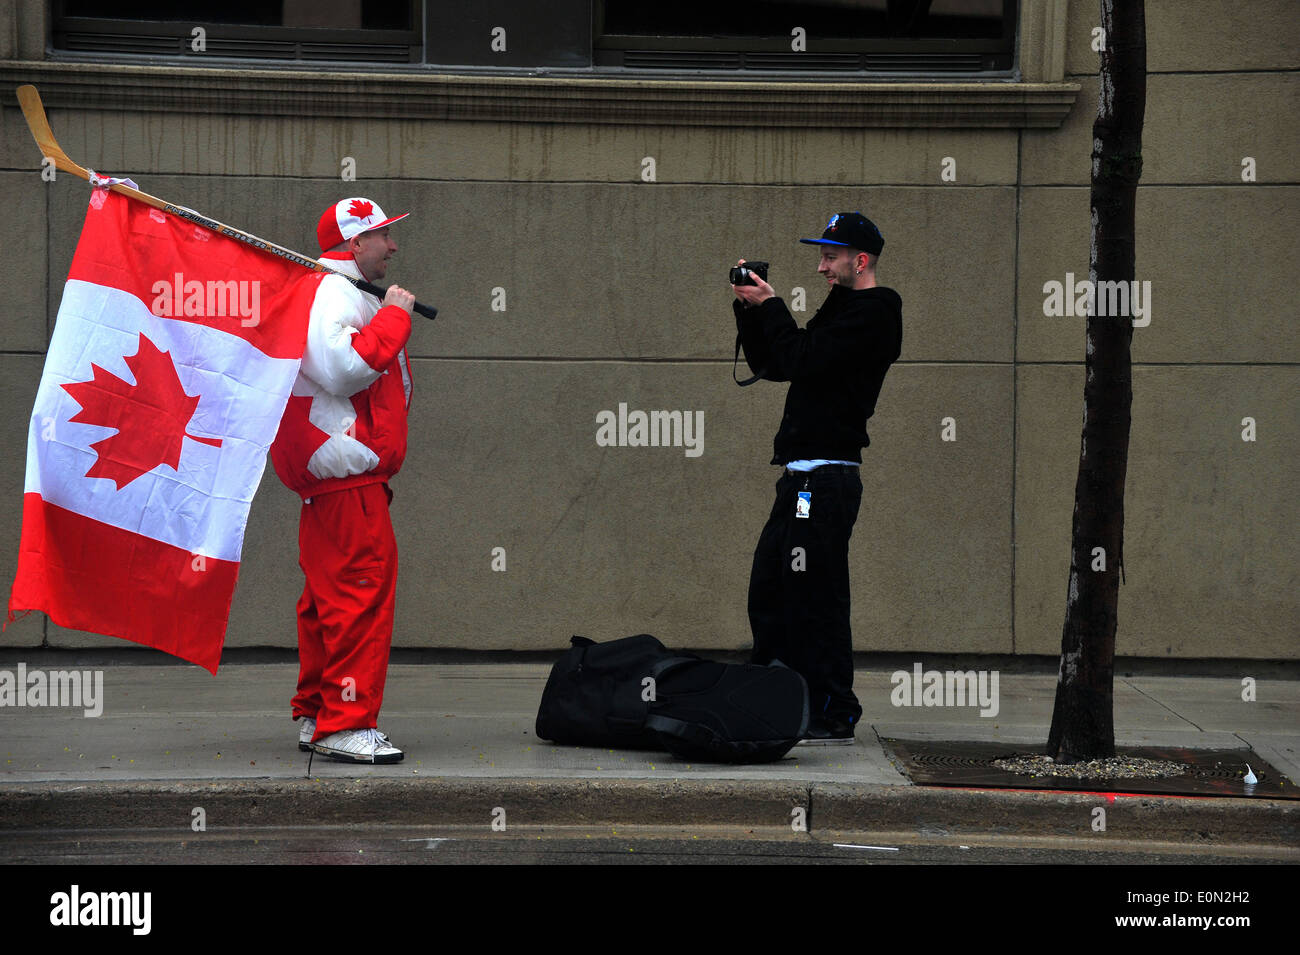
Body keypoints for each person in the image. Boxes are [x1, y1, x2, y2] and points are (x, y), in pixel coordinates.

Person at [731, 212, 902, 745]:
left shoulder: (877, 311)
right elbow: (780, 363)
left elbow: (802, 356)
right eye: (822, 255)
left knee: (815, 595)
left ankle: (832, 710)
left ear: (861, 259)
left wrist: (775, 307)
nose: (822, 266)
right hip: (801, 479)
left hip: (825, 481)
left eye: (830, 256)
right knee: (771, 584)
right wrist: (749, 310)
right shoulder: (844, 306)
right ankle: (779, 696)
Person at [270, 197, 417, 764]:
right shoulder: (331, 290)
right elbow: (341, 368)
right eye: (382, 235)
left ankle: (317, 712)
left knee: (327, 602)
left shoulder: (331, 289)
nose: (393, 245)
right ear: (355, 244)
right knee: (360, 596)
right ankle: (345, 722)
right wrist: (395, 318)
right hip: (347, 475)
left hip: (336, 477)